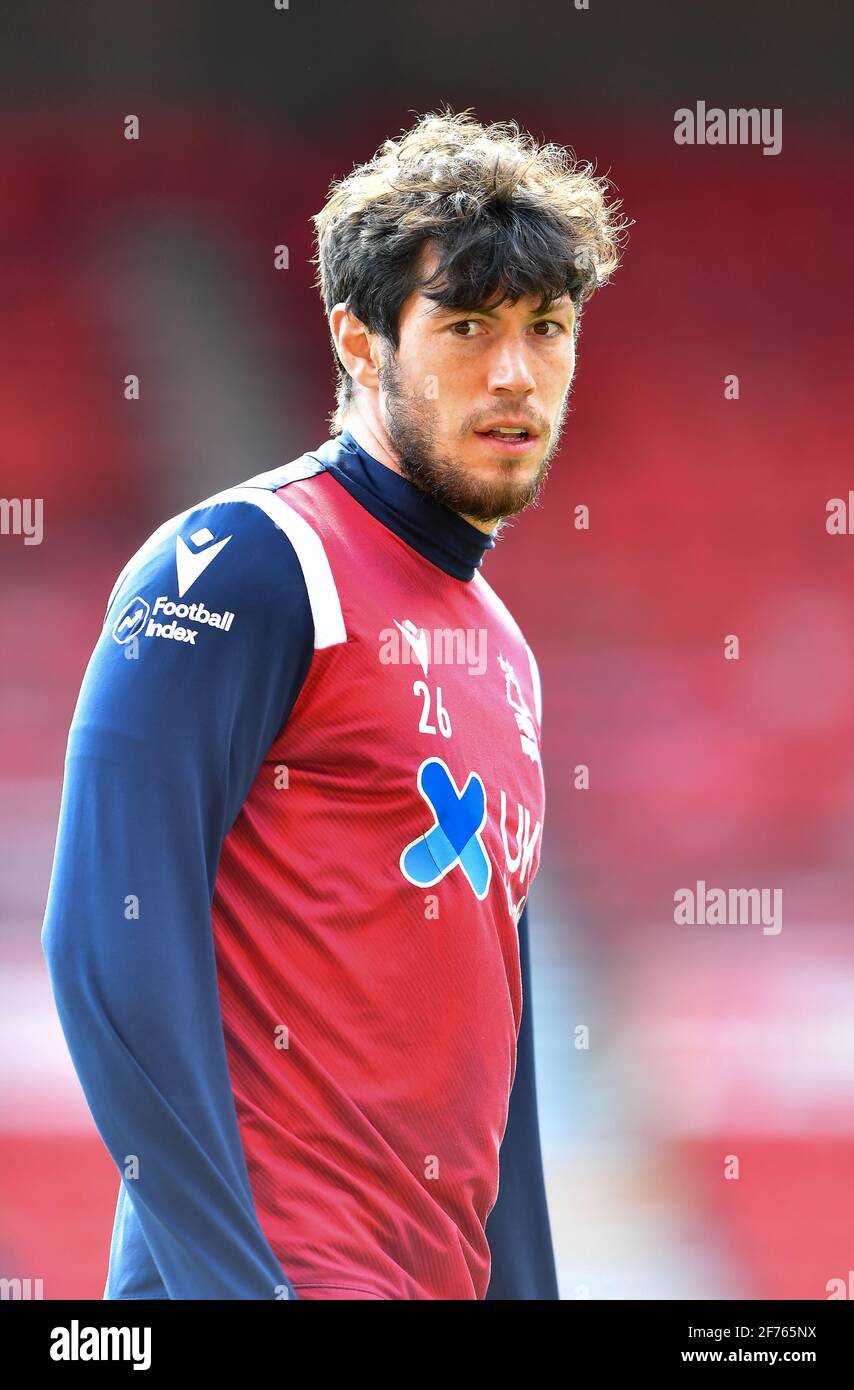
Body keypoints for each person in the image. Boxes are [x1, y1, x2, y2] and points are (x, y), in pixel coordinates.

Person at [41, 108, 624, 1300]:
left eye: (545, 328)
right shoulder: (247, 562)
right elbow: (107, 935)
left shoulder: (504, 656)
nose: (514, 373)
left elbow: (495, 1076)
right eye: (466, 326)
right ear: (359, 345)